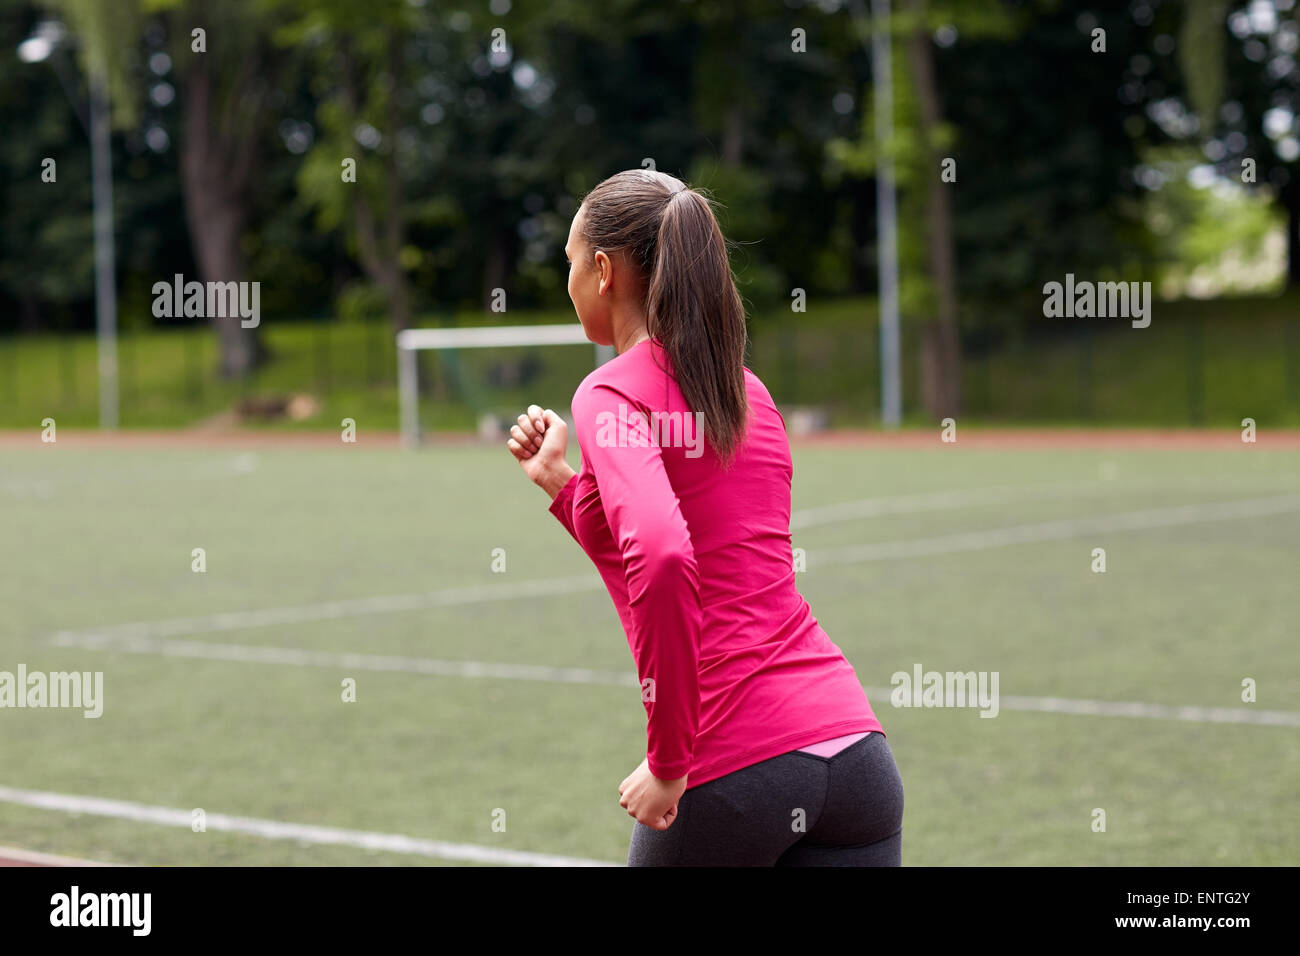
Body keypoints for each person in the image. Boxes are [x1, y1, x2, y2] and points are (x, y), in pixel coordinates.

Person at [507, 169, 904, 866]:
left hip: (736, 765)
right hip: (855, 759)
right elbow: (706, 545)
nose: (566, 281)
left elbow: (660, 556)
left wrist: (667, 761)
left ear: (602, 271)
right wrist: (563, 487)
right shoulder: (748, 391)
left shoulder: (609, 392)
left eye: (567, 262)